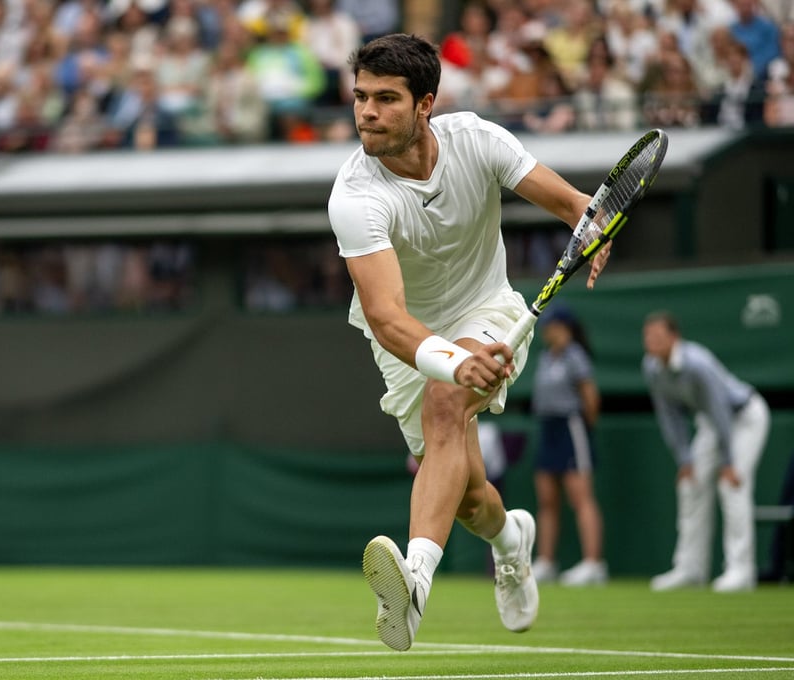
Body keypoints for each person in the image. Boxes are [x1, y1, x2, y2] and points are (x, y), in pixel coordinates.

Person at [328, 34, 608, 652]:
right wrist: (455, 360)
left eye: (385, 99)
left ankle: (415, 585)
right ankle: (512, 542)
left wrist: (590, 218)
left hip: (488, 308)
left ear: (425, 103)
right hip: (407, 337)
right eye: (360, 98)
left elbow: (572, 206)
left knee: (445, 404)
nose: (367, 112)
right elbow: (388, 318)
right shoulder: (354, 195)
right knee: (469, 498)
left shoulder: (478, 139)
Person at [642, 311, 770, 593]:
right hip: (713, 423)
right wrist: (684, 458)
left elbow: (720, 407)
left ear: (675, 337)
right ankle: (691, 568)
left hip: (745, 417)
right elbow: (669, 416)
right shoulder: (651, 367)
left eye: (658, 336)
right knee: (690, 484)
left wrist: (728, 461)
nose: (651, 342)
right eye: (648, 337)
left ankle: (741, 570)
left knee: (731, 485)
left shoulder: (697, 363)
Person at [529, 305, 607, 587]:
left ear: (565, 328)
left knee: (580, 497)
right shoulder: (545, 358)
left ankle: (593, 564)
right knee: (547, 499)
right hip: (547, 428)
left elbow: (590, 398)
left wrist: (583, 429)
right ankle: (547, 561)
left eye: (552, 327)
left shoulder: (575, 356)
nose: (548, 332)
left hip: (571, 428)